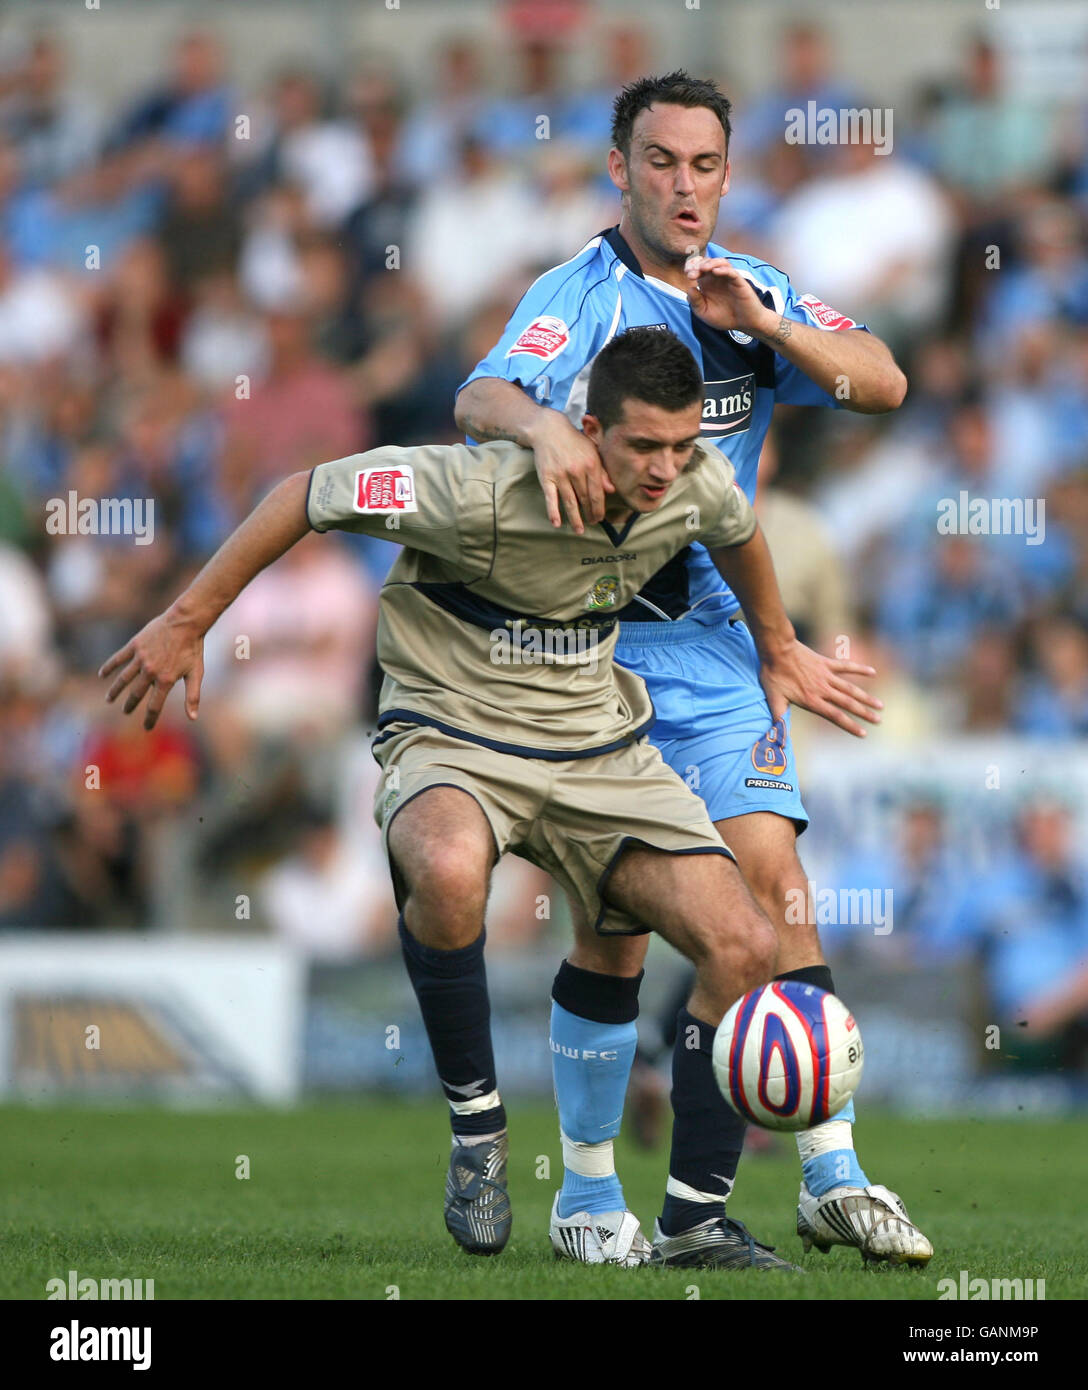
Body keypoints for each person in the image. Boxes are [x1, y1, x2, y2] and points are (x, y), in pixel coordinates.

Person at [99, 328, 880, 1267]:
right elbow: (307, 495)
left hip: (597, 744)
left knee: (747, 941)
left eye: (683, 447)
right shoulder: (476, 490)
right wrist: (187, 621)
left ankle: (693, 1225)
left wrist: (778, 645)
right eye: (644, 448)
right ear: (588, 431)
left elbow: (739, 531)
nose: (669, 470)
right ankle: (479, 1134)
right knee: (449, 867)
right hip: (452, 728)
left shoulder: (697, 479)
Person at [455, 71, 932, 1267]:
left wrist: (763, 327)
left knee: (772, 895)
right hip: (598, 652)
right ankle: (581, 1199)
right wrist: (545, 424)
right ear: (619, 168)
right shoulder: (575, 293)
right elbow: (476, 393)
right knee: (612, 932)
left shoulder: (746, 288)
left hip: (719, 646)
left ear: (727, 172)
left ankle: (814, 1178)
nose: (682, 186)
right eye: (659, 162)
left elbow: (881, 381)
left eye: (703, 165)